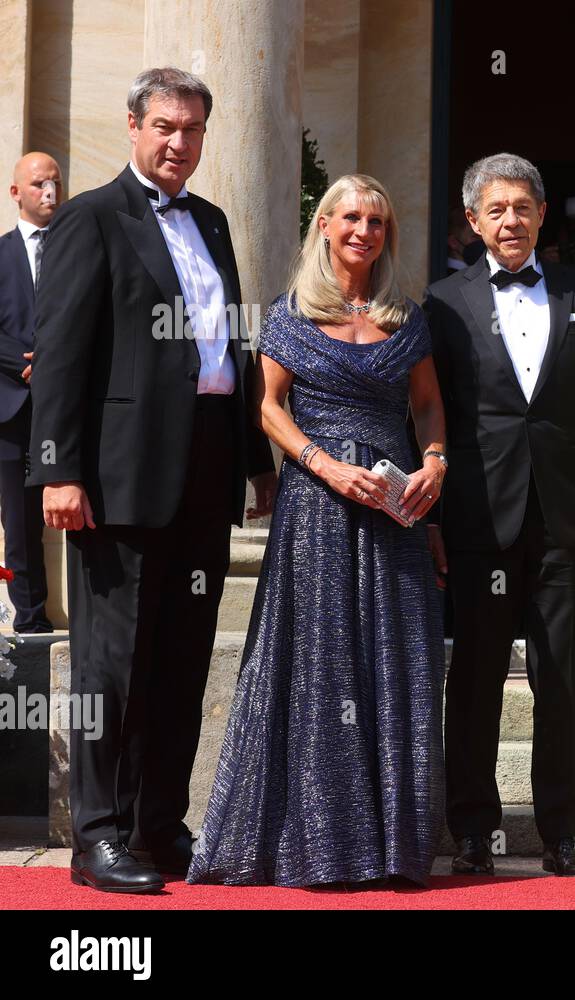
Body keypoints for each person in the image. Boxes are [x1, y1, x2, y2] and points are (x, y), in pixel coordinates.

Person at [28, 67, 276, 894]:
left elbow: (230, 351)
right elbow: (59, 353)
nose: (179, 143)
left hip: (207, 467)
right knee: (111, 664)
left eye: (193, 129)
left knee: (180, 661)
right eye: (165, 126)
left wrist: (254, 460)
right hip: (117, 475)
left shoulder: (210, 219)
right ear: (133, 125)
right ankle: (97, 836)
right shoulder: (90, 217)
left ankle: (158, 826)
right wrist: (58, 470)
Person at [188, 174, 447, 888]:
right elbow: (267, 408)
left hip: (394, 509)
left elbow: (426, 405)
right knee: (322, 661)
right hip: (319, 507)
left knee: (393, 660)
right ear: (325, 225)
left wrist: (435, 463)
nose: (366, 230)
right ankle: (323, 847)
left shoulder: (406, 315)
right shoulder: (289, 313)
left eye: (378, 221)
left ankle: (392, 849)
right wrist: (324, 467)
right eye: (353, 218)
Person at [422, 152, 575, 877]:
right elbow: (431, 415)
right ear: (473, 222)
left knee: (564, 680)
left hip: (568, 521)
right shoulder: (443, 303)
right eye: (495, 209)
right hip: (479, 520)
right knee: (477, 680)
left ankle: (562, 833)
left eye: (523, 207)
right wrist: (432, 519)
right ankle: (473, 831)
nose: (510, 219)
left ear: (543, 215)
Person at [0, 152, 62, 634]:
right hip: (11, 408)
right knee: (19, 520)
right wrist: (28, 366)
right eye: (39, 183)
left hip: (67, 406)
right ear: (16, 192)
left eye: (56, 182)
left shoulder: (78, 249)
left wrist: (55, 364)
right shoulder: (0, 255)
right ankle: (30, 618)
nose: (50, 192)